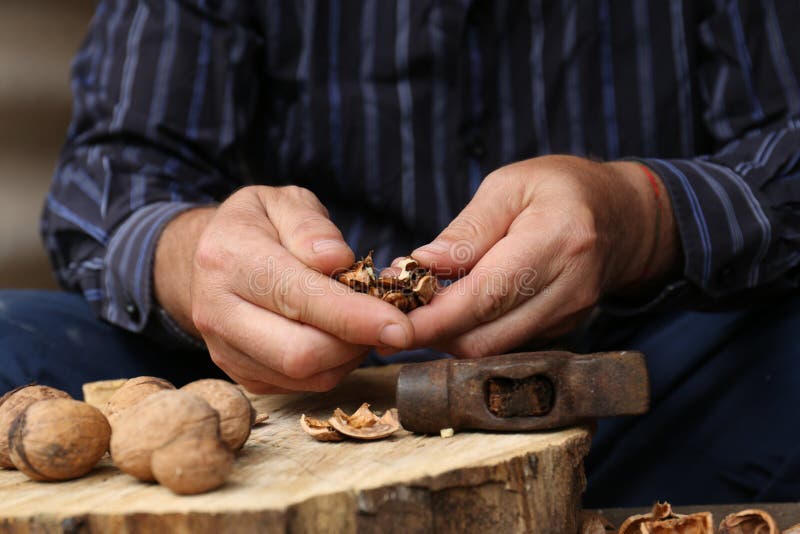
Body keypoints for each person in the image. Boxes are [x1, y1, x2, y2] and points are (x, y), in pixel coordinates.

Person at [2, 0, 798, 506]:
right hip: (294, 399)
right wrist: (194, 259)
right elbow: (116, 166)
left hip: (634, 382)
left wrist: (642, 214)